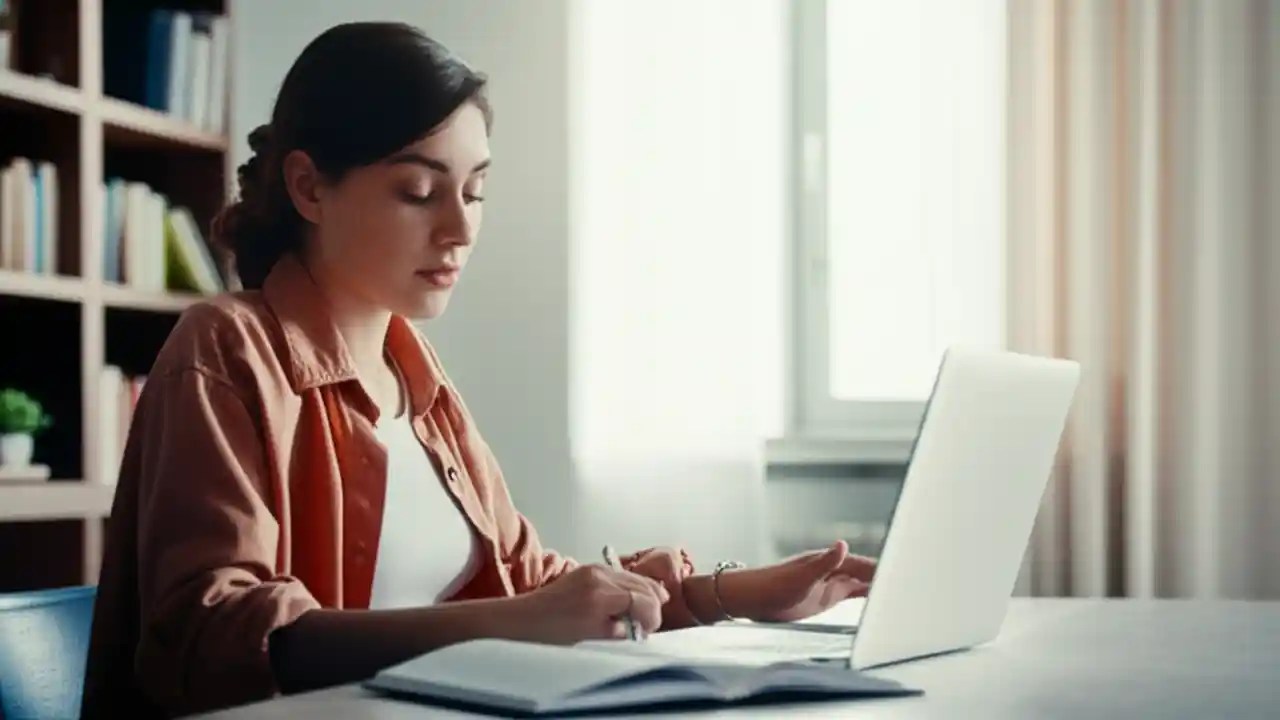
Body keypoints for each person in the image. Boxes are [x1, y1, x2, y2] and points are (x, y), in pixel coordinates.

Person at [81, 21, 877, 718]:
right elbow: (213, 636)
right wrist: (513, 623)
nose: (460, 228)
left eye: (475, 191)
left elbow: (536, 584)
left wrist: (732, 595)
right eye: (419, 191)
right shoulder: (225, 348)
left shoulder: (418, 380)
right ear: (308, 187)